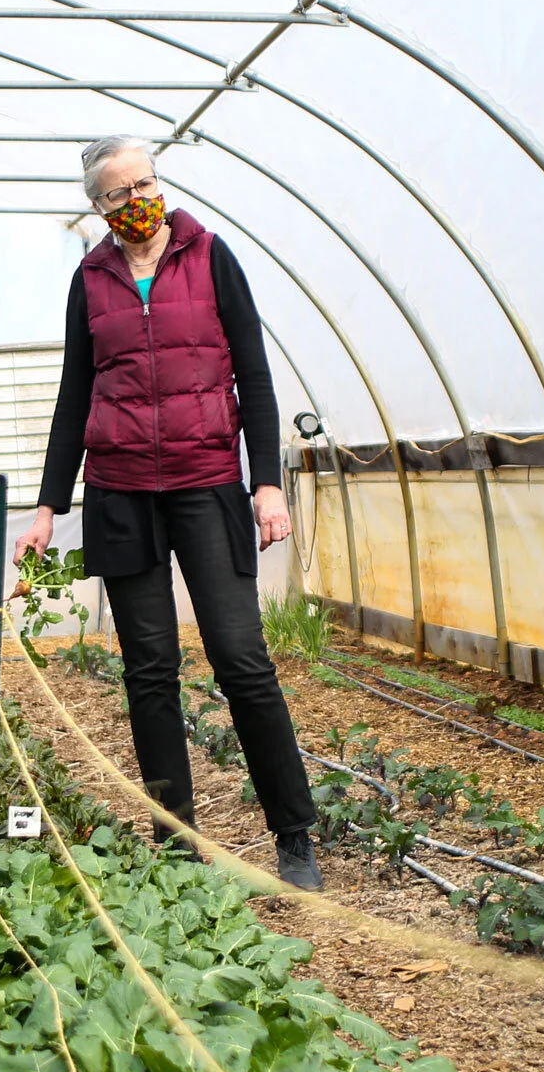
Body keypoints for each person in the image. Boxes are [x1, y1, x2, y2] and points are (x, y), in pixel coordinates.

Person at [17, 135, 323, 892]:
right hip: (121, 495)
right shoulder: (89, 281)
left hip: (206, 482)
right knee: (149, 670)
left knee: (241, 659)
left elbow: (253, 374)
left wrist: (268, 482)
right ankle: (177, 844)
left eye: (145, 182)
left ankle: (294, 836)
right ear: (98, 206)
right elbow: (75, 395)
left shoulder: (211, 256)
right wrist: (50, 503)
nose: (137, 200)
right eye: (119, 192)